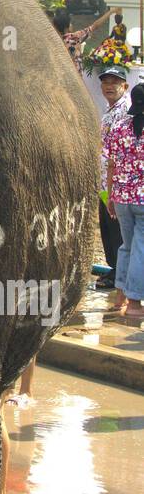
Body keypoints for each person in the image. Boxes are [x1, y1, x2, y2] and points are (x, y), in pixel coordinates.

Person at [106, 81, 144, 320]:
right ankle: (134, 303)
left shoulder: (119, 127)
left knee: (127, 246)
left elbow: (111, 164)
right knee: (140, 249)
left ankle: (119, 297)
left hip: (121, 197)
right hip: (142, 200)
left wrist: (109, 195)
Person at [98, 66, 130, 294]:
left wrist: (113, 186)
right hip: (103, 182)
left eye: (115, 82)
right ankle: (114, 268)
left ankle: (120, 271)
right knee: (108, 229)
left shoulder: (124, 111)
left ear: (125, 86)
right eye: (106, 81)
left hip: (116, 183)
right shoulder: (109, 110)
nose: (109, 86)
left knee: (118, 230)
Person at [51, 5, 113, 74]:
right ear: (66, 28)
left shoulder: (52, 40)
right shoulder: (74, 38)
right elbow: (95, 26)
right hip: (76, 77)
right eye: (70, 23)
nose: (71, 25)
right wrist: (111, 12)